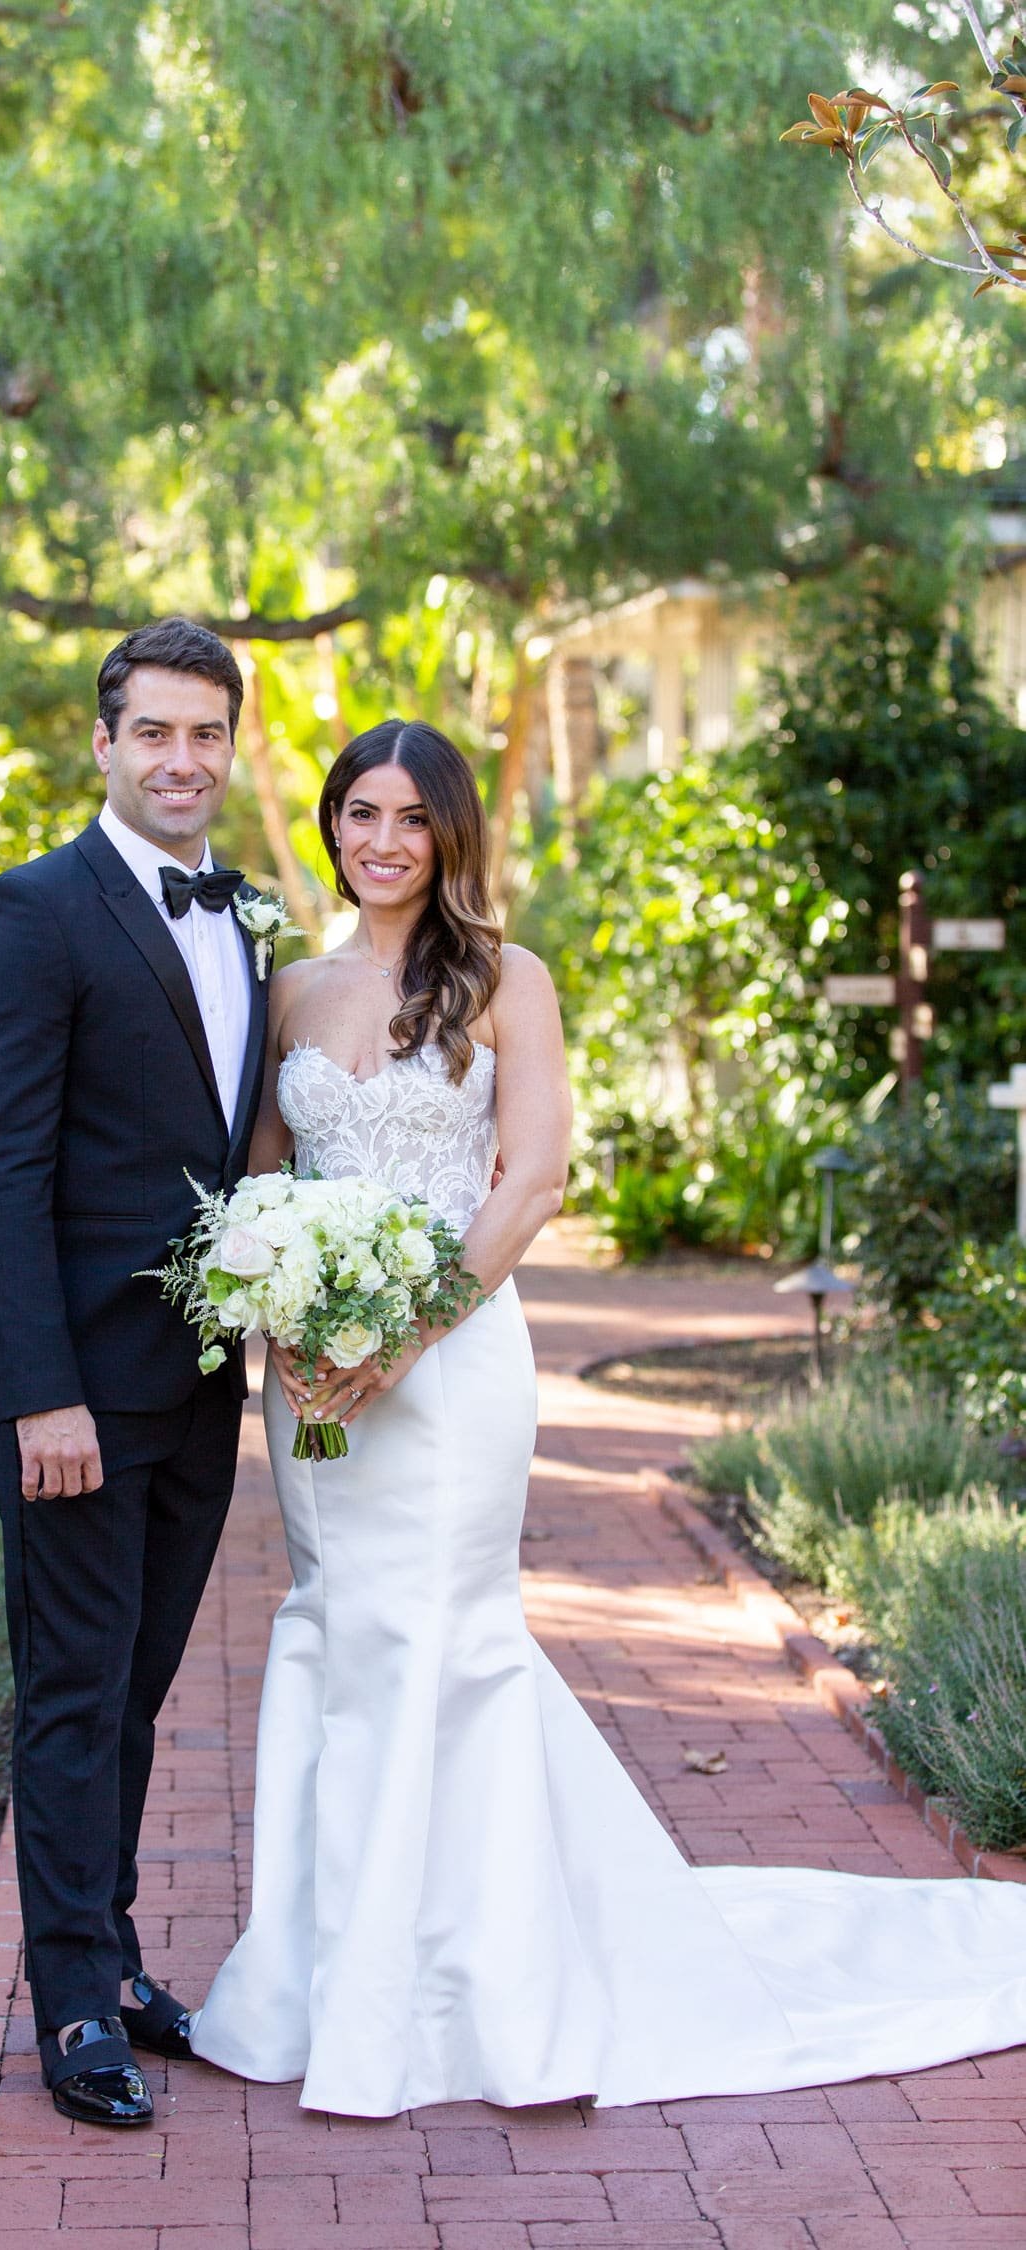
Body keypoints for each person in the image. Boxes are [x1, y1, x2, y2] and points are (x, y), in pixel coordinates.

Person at [190, 715, 1026, 2118]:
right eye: (360, 813)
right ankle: (329, 1970)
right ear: (332, 825)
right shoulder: (291, 990)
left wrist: (405, 1333)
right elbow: (264, 1179)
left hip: (451, 1365)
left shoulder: (506, 977)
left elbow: (533, 1180)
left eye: (410, 817)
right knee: (336, 1625)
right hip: (317, 1386)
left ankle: (483, 1986)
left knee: (444, 1636)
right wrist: (284, 1317)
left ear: (449, 833)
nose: (382, 840)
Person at [0, 617, 268, 2128]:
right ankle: (71, 2001)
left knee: (135, 1690)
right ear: (105, 743)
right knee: (72, 1693)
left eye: (207, 733)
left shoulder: (245, 917)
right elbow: (2, 1173)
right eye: (155, 731)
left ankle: (117, 1955)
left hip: (196, 1386)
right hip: (71, 1390)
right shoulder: (31, 911)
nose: (182, 759)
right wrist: (41, 1393)